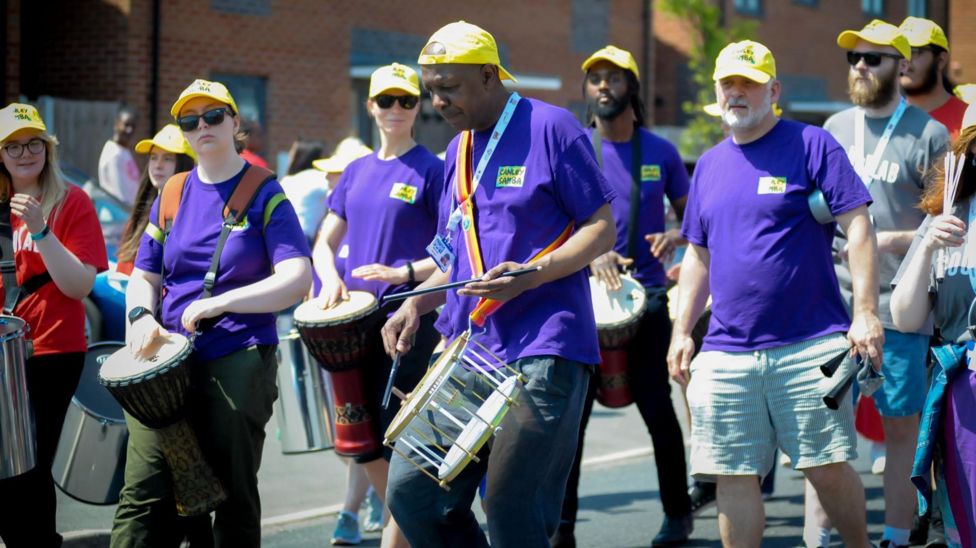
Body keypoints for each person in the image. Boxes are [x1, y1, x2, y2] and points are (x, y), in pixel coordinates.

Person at [380, 21, 617, 548]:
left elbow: (601, 228)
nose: (437, 101)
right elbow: (456, 259)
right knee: (411, 494)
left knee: (512, 508)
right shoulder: (457, 152)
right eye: (432, 89)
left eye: (450, 87)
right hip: (471, 353)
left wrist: (531, 275)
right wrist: (415, 307)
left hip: (545, 347)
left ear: (489, 76)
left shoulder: (552, 127)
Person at [668, 40, 882, 548]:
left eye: (748, 83)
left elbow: (858, 224)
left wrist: (866, 312)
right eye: (728, 84)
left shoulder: (811, 144)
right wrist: (681, 330)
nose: (736, 93)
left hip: (810, 341)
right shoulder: (710, 166)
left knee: (824, 465)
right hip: (725, 349)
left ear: (773, 90)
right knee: (731, 474)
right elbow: (698, 256)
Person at [110, 79, 312, 547]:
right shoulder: (174, 191)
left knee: (231, 497)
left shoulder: (265, 191)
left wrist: (221, 302)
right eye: (189, 120)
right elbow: (145, 274)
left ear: (235, 122)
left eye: (214, 116)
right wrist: (141, 318)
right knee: (142, 495)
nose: (202, 126)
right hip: (165, 364)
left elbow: (297, 277)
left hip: (238, 354)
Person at [553, 44, 692, 548]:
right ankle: (561, 528)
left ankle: (678, 515)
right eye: (595, 79)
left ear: (631, 87)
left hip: (649, 297)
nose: (603, 86)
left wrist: (677, 236)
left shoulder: (661, 152)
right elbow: (552, 224)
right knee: (573, 423)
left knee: (658, 411)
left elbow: (695, 217)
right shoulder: (573, 150)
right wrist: (591, 254)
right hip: (581, 302)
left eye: (613, 78)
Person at [825, 20, 950, 548]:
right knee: (826, 433)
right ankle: (822, 536)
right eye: (854, 57)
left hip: (899, 305)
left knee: (901, 428)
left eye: (873, 58)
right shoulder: (830, 127)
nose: (860, 66)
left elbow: (947, 221)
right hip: (831, 301)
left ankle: (897, 538)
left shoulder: (929, 133)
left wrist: (887, 239)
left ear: (901, 66)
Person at [311, 62, 444, 547]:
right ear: (370, 107)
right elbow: (324, 242)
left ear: (418, 107)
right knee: (362, 443)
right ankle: (408, 527)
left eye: (406, 101)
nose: (395, 110)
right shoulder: (355, 172)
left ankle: (399, 536)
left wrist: (404, 273)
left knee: (401, 444)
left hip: (409, 321)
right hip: (351, 327)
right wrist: (328, 280)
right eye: (385, 101)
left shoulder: (433, 170)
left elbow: (453, 252)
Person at [0, 102, 108, 547]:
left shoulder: (72, 201)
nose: (25, 153)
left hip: (52, 351)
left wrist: (41, 230)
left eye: (34, 144)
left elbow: (79, 284)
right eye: (13, 146)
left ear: (48, 148)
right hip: (3, 353)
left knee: (30, 465)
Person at [890, 102, 976, 548]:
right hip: (963, 389)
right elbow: (906, 316)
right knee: (965, 522)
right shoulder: (947, 212)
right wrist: (925, 248)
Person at [116, 124, 195, 275]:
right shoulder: (137, 219)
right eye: (153, 157)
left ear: (185, 163)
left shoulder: (192, 217)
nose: (158, 165)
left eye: (168, 158)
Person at [899, 17, 969, 139]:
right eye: (899, 51)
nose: (905, 60)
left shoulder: (968, 121)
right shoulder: (885, 118)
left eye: (913, 51)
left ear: (941, 60)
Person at [279, 139, 327, 244]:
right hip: (304, 235)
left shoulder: (286, 180)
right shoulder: (322, 178)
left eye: (292, 152)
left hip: (281, 234)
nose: (290, 156)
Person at [99, 105, 141, 206]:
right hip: (121, 215)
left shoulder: (123, 150)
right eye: (126, 125)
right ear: (116, 124)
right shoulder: (114, 154)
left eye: (133, 126)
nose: (129, 130)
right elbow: (120, 196)